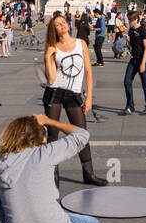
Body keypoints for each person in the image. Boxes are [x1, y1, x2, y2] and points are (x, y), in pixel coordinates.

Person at [0, 114, 102, 223]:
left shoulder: (4, 163)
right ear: (38, 136)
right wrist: (49, 121)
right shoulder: (45, 153)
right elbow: (82, 135)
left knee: (5, 201)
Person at [43, 15, 106, 183]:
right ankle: (52, 175)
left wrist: (89, 97)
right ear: (54, 30)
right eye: (58, 25)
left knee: (81, 134)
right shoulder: (52, 47)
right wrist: (47, 56)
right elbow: (50, 79)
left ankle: (89, 174)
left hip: (74, 93)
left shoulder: (81, 44)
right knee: (52, 136)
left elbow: (88, 71)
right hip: (54, 92)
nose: (62, 25)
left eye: (63, 22)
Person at [122, 12, 146, 116]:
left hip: (141, 60)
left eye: (131, 20)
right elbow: (133, 45)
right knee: (127, 81)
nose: (129, 22)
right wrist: (129, 40)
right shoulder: (131, 30)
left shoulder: (143, 31)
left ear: (136, 19)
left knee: (145, 84)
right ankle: (130, 106)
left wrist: (143, 63)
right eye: (128, 20)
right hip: (133, 59)